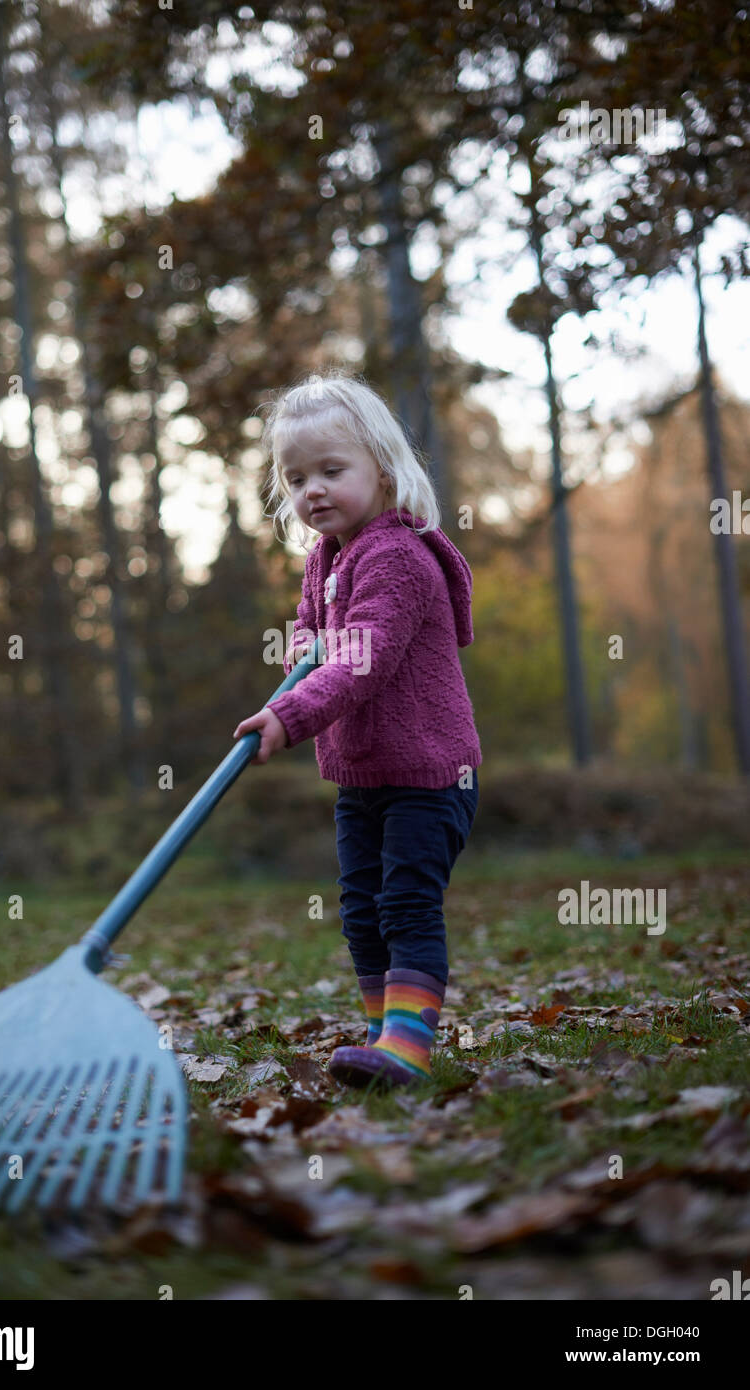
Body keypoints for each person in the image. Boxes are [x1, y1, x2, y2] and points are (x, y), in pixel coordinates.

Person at [232, 370, 482, 1088]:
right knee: (360, 909)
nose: (311, 490)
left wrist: (290, 714)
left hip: (430, 775)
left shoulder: (397, 558)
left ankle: (405, 1046)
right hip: (364, 773)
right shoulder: (327, 557)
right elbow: (312, 638)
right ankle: (381, 1039)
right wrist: (295, 663)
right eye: (295, 476)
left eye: (330, 471)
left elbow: (358, 661)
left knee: (403, 902)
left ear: (381, 465)